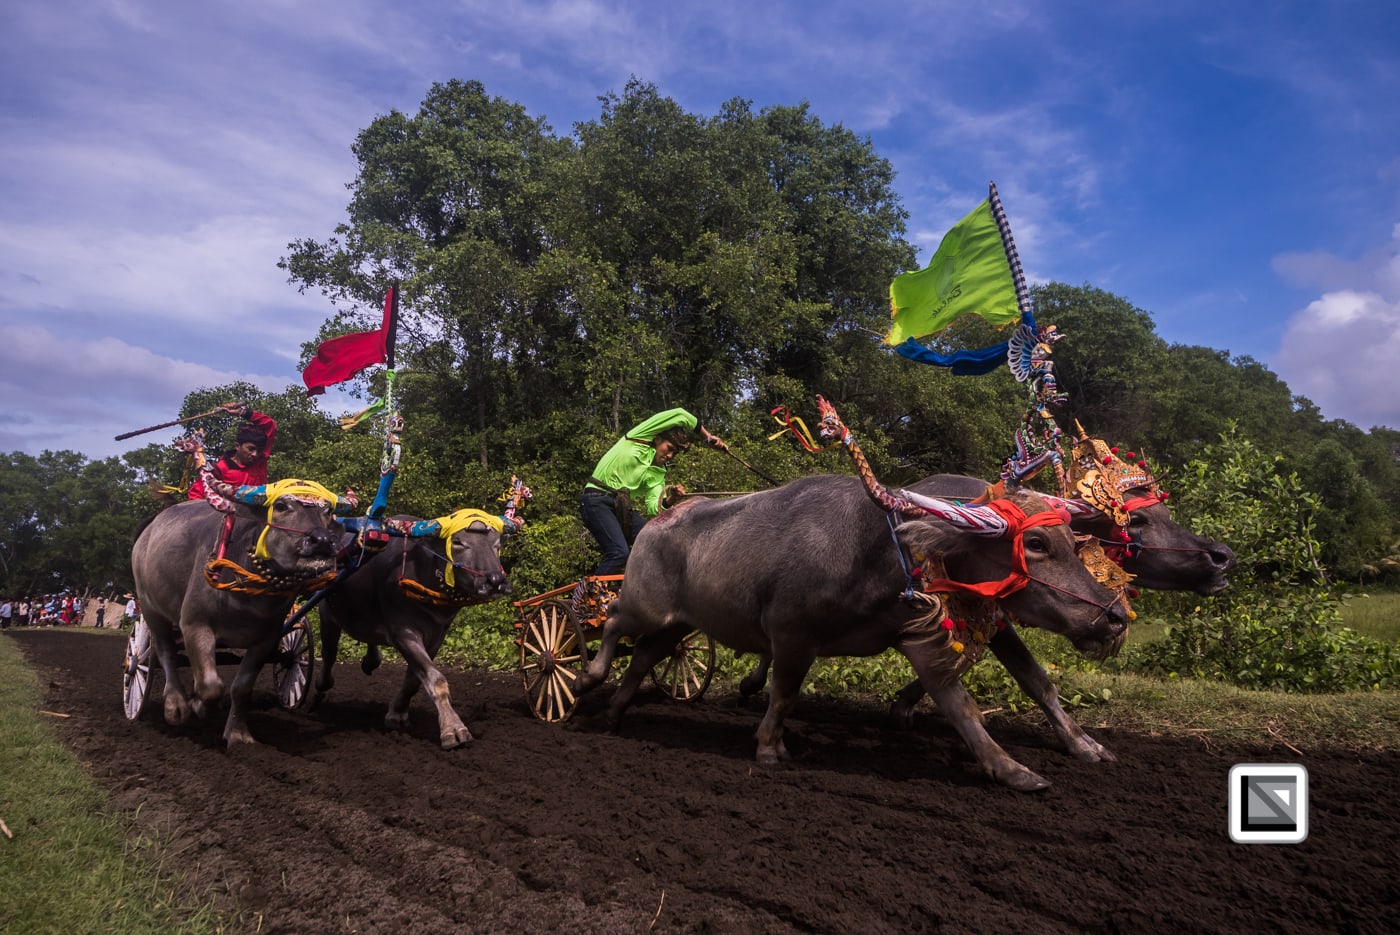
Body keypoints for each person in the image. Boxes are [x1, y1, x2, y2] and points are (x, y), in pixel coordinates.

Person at [580, 407, 728, 576]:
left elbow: (653, 507)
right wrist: (707, 436)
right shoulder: (638, 438)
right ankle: (586, 592)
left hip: (620, 507)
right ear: (657, 439)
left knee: (655, 541)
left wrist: (671, 499)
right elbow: (680, 414)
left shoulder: (658, 473)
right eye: (669, 448)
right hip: (595, 499)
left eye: (674, 453)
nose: (670, 455)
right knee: (619, 552)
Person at [187, 401, 278, 501]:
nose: (255, 454)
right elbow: (195, 495)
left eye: (259, 450)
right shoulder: (220, 469)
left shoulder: (260, 460)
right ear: (237, 446)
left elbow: (270, 425)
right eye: (251, 449)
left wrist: (242, 412)